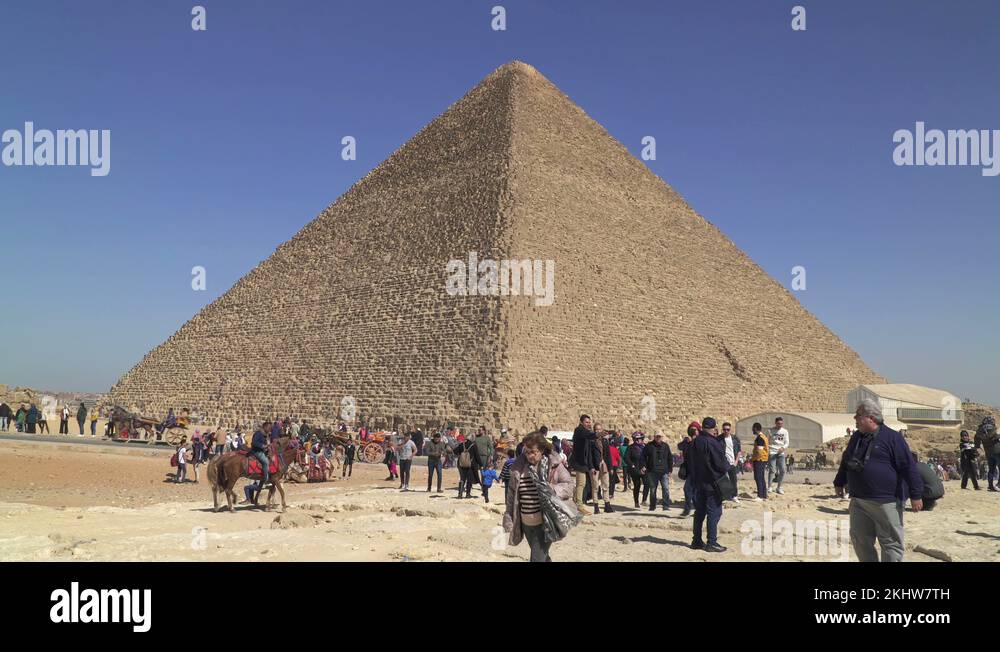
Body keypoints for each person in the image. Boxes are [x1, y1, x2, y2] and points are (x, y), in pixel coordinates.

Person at [834, 399, 923, 563]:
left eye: (858, 415)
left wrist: (916, 495)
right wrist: (839, 481)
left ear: (871, 418)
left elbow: (908, 466)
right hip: (859, 500)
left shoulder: (893, 438)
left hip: (886, 501)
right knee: (860, 540)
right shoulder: (857, 437)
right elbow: (847, 459)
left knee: (890, 542)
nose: (854, 418)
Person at [502, 431, 575, 562]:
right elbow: (512, 495)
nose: (529, 455)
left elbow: (569, 485)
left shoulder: (554, 465)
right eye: (527, 452)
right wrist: (508, 517)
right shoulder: (518, 468)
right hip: (526, 523)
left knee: (536, 558)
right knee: (542, 557)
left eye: (533, 452)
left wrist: (552, 488)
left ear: (541, 449)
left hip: (546, 522)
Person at [688, 417, 729, 553]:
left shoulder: (694, 442)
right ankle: (711, 542)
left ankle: (696, 541)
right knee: (714, 512)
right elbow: (721, 465)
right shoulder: (713, 442)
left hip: (697, 483)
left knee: (699, 512)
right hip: (712, 484)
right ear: (713, 428)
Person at [571, 414, 599, 515]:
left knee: (581, 483)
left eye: (589, 422)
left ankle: (575, 501)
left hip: (583, 462)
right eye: (586, 422)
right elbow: (588, 435)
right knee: (581, 483)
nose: (589, 424)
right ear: (581, 422)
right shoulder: (579, 430)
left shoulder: (585, 432)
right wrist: (597, 434)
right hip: (579, 462)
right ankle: (579, 505)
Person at [642, 431, 673, 511]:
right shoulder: (649, 446)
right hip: (652, 471)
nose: (658, 438)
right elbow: (643, 457)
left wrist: (670, 470)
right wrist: (644, 466)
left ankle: (666, 506)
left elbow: (670, 458)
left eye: (660, 436)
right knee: (653, 489)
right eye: (657, 436)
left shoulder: (665, 446)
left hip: (664, 471)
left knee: (665, 489)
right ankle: (652, 506)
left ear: (662, 437)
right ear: (654, 437)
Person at [677, 422, 700, 516]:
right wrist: (687, 441)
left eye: (695, 429)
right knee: (689, 490)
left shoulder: (701, 441)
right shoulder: (687, 441)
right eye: (691, 429)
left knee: (693, 491)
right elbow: (680, 447)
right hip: (690, 470)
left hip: (699, 470)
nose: (693, 431)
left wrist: (695, 440)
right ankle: (692, 509)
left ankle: (691, 510)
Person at [453, 430, 482, 499]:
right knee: (469, 479)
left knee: (462, 478)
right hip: (470, 465)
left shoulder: (462, 444)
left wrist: (461, 455)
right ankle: (467, 494)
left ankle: (460, 494)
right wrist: (481, 464)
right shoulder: (473, 445)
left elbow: (455, 451)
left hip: (462, 464)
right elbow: (477, 456)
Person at [974, 417, 1000, 491]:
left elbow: (977, 445)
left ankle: (990, 485)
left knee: (991, 469)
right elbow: (995, 436)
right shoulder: (992, 428)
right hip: (997, 451)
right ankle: (999, 485)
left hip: (988, 452)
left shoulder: (979, 431)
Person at [768, 416, 789, 495]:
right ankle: (769, 486)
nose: (780, 425)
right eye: (778, 423)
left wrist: (783, 448)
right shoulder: (770, 431)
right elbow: (767, 441)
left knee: (783, 470)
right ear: (775, 423)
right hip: (772, 451)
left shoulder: (785, 431)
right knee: (772, 470)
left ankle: (779, 487)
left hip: (781, 452)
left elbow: (787, 442)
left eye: (781, 423)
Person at [721, 422, 740, 503]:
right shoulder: (719, 439)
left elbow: (739, 451)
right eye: (724, 429)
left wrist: (736, 461)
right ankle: (724, 495)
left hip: (732, 462)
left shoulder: (735, 439)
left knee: (733, 480)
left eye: (727, 429)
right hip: (723, 463)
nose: (726, 431)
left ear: (730, 430)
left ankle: (734, 495)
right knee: (723, 480)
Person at [750, 423, 769, 501]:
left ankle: (760, 496)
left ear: (755, 428)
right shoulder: (764, 436)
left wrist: (755, 459)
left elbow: (759, 451)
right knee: (761, 477)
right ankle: (764, 495)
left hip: (759, 460)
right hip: (763, 459)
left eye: (753, 429)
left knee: (758, 477)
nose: (752, 430)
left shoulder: (760, 438)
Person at [249, 425, 270, 489]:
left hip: (261, 450)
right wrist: (263, 446)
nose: (269, 429)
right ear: (265, 427)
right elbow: (254, 443)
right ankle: (265, 480)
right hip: (256, 451)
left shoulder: (265, 435)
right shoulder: (258, 433)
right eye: (269, 428)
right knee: (266, 462)